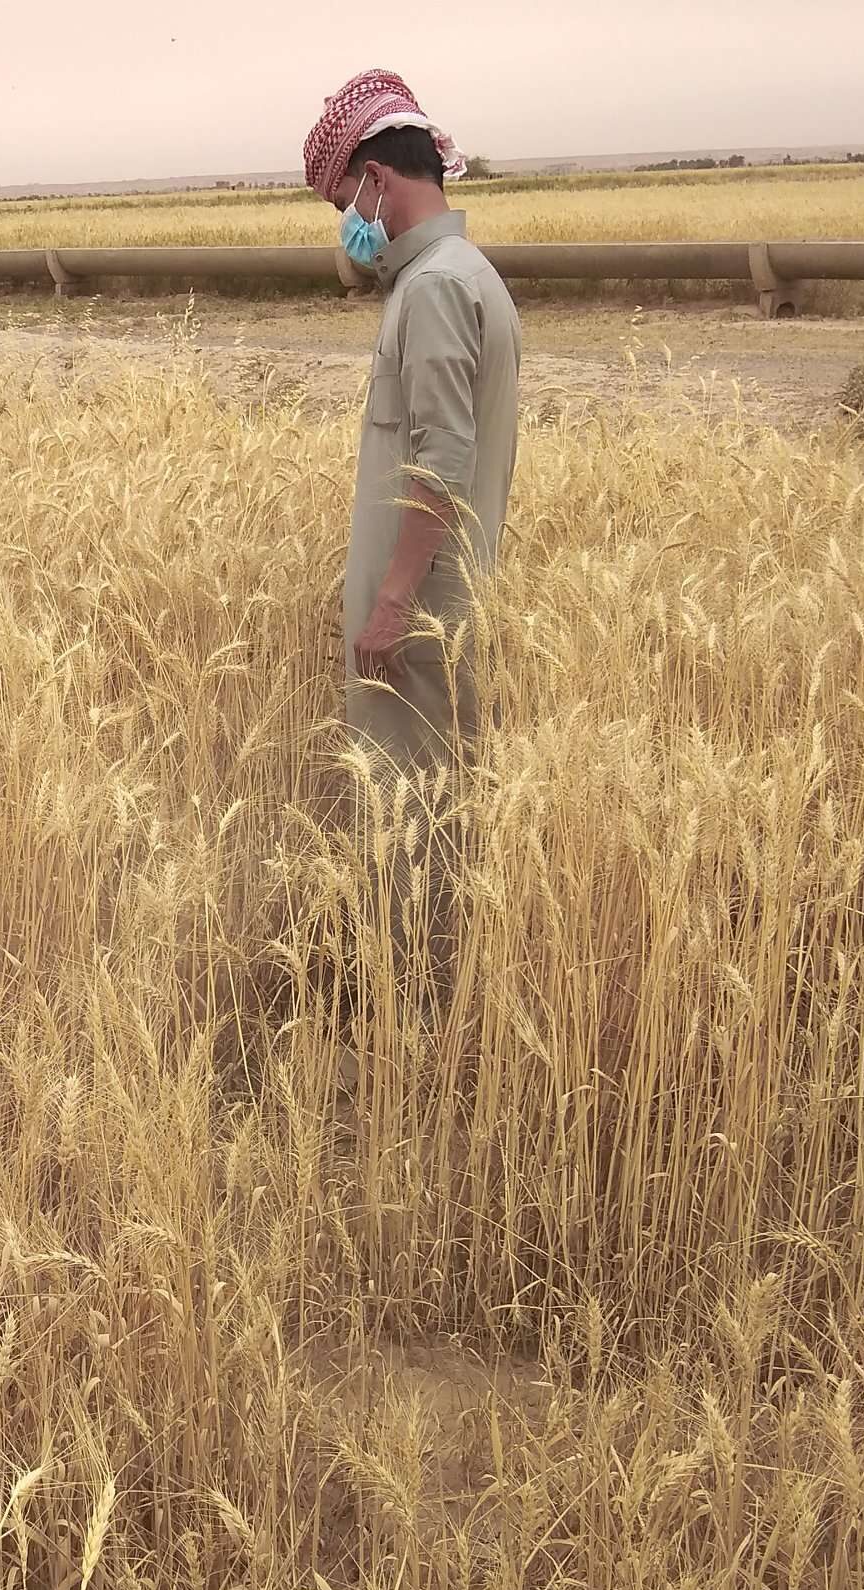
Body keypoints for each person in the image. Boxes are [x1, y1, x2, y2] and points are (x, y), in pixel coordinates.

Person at [303, 70, 521, 986]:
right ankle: (426, 990)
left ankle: (408, 1008)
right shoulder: (464, 276)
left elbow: (441, 460)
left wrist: (390, 600)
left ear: (377, 181)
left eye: (343, 199)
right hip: (442, 595)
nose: (349, 223)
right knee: (432, 797)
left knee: (408, 808)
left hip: (418, 608)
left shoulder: (434, 288)